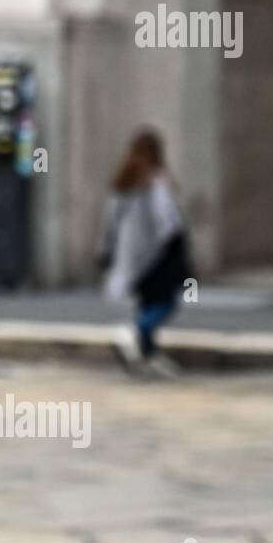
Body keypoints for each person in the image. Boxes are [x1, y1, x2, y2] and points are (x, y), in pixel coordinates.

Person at [97, 129, 193, 379]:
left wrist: (106, 250)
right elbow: (168, 221)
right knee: (165, 303)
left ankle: (148, 354)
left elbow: (110, 219)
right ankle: (136, 333)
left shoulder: (122, 182)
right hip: (157, 254)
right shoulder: (156, 181)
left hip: (130, 255)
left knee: (147, 302)